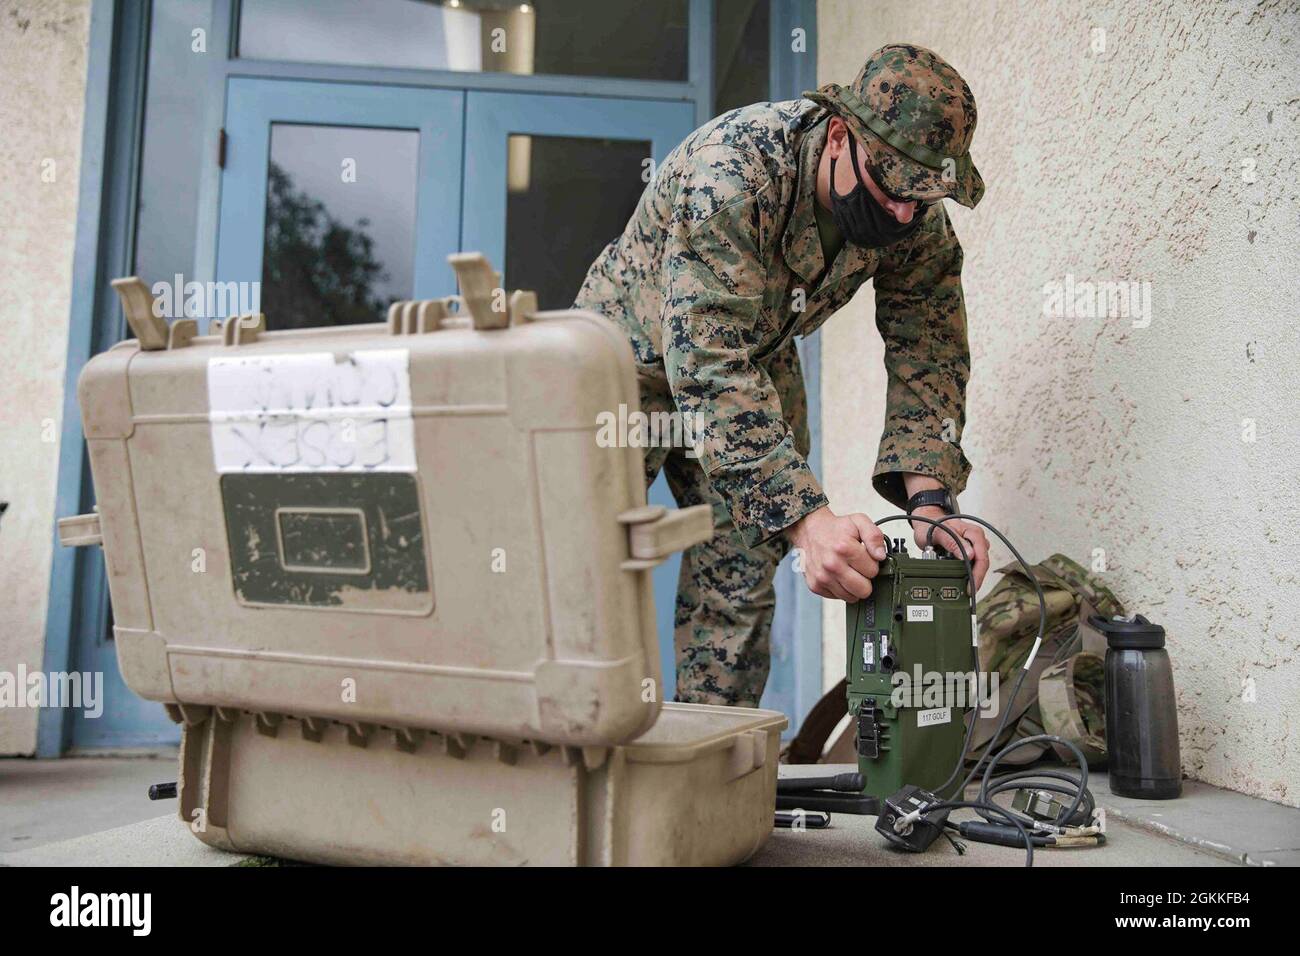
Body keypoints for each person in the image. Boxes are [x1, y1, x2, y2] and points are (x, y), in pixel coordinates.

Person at [576, 44, 991, 707]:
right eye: (891, 189)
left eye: (922, 194)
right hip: (623, 368)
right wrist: (808, 520)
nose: (906, 215)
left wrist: (930, 502)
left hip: (755, 356)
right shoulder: (731, 174)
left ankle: (708, 767)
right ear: (837, 136)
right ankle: (566, 752)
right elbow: (709, 368)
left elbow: (929, 344)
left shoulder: (909, 203)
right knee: (579, 555)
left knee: (741, 566)